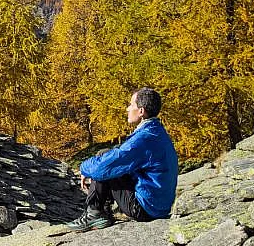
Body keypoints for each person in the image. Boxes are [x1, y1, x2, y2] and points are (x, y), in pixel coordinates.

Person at [63, 87, 179, 232]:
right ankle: (102, 211)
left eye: (131, 105)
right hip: (159, 205)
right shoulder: (156, 131)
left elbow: (103, 168)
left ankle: (94, 213)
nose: (127, 109)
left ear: (141, 111)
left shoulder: (144, 139)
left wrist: (84, 168)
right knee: (106, 156)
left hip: (145, 209)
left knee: (104, 164)